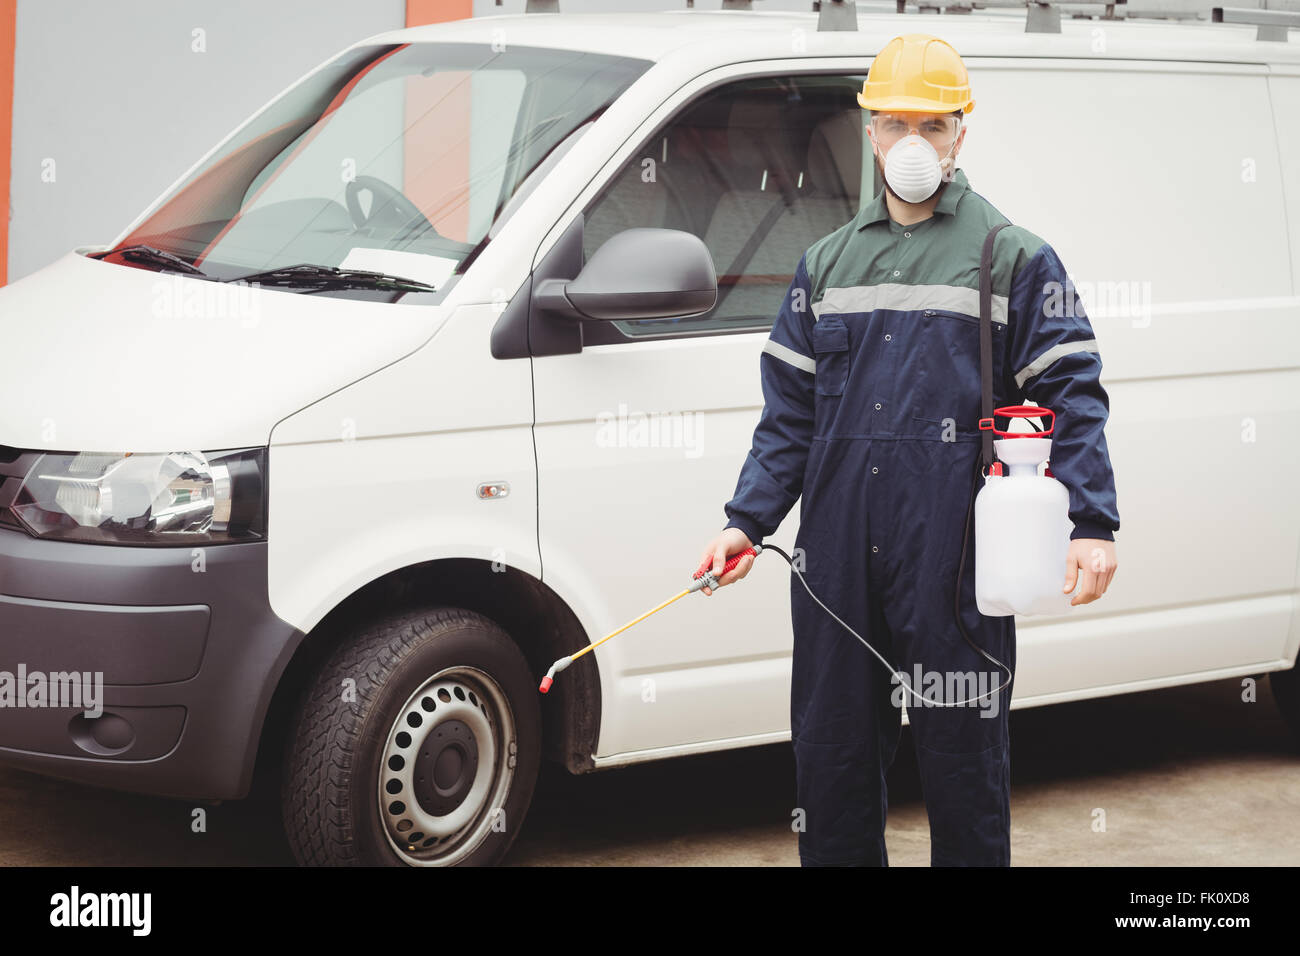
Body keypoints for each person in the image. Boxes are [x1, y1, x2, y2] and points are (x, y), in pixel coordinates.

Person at [696, 33, 1120, 867]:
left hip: (957, 556)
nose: (913, 144)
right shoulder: (826, 265)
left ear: (962, 131)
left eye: (932, 123)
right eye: (896, 123)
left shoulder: (1015, 258)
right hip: (837, 562)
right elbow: (789, 418)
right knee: (832, 760)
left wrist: (1092, 523)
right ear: (869, 131)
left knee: (964, 767)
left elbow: (1071, 393)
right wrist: (746, 521)